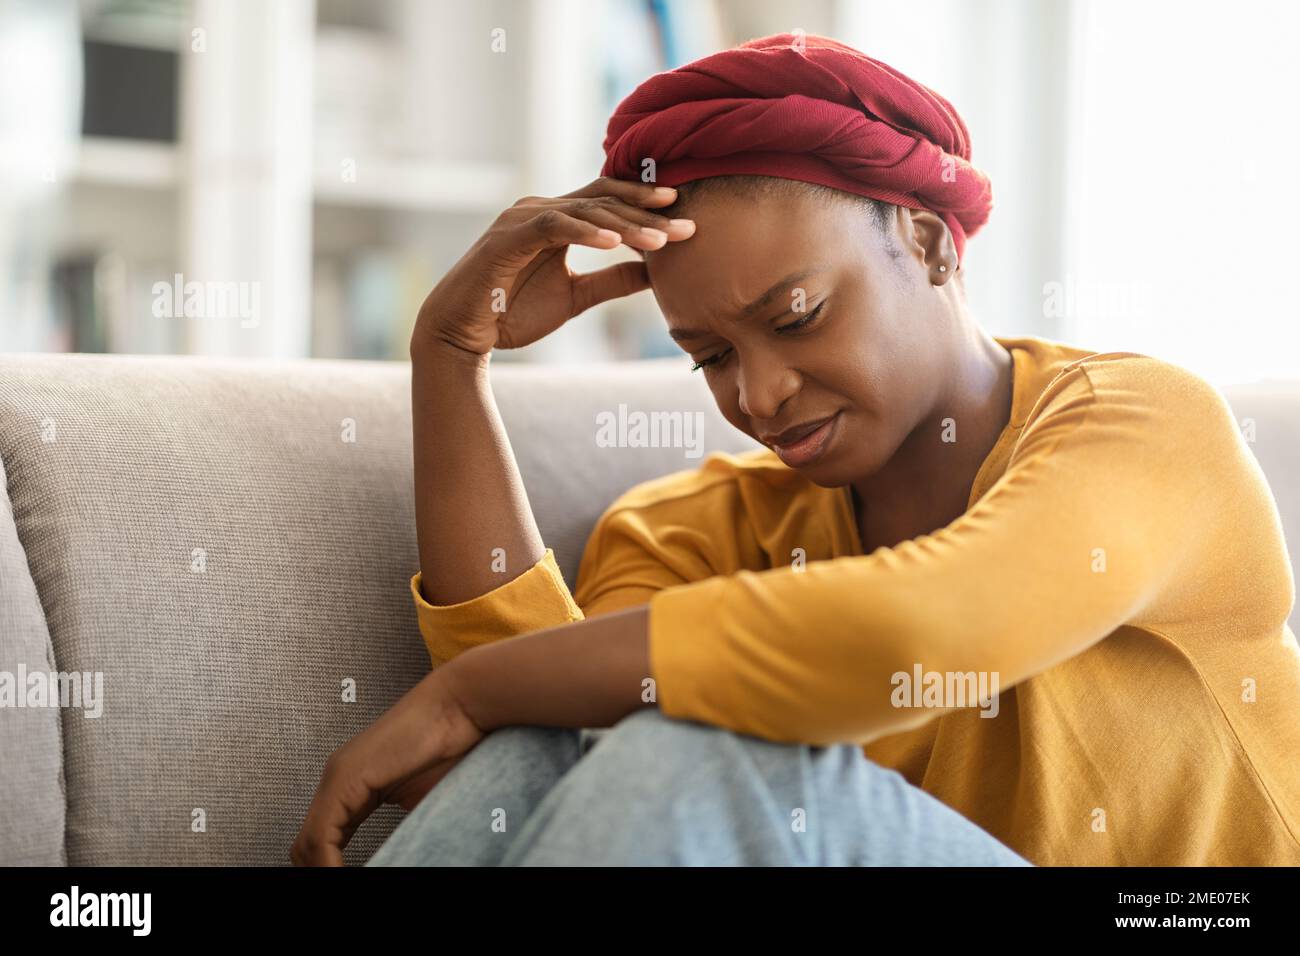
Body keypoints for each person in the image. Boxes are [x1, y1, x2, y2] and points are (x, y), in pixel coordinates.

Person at [291, 33, 1300, 867]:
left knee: (685, 759)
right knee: (569, 744)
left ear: (928, 243)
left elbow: (919, 634)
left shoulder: (1146, 425)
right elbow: (534, 742)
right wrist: (449, 354)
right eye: (710, 356)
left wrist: (469, 689)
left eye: (799, 314)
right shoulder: (698, 528)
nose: (757, 392)